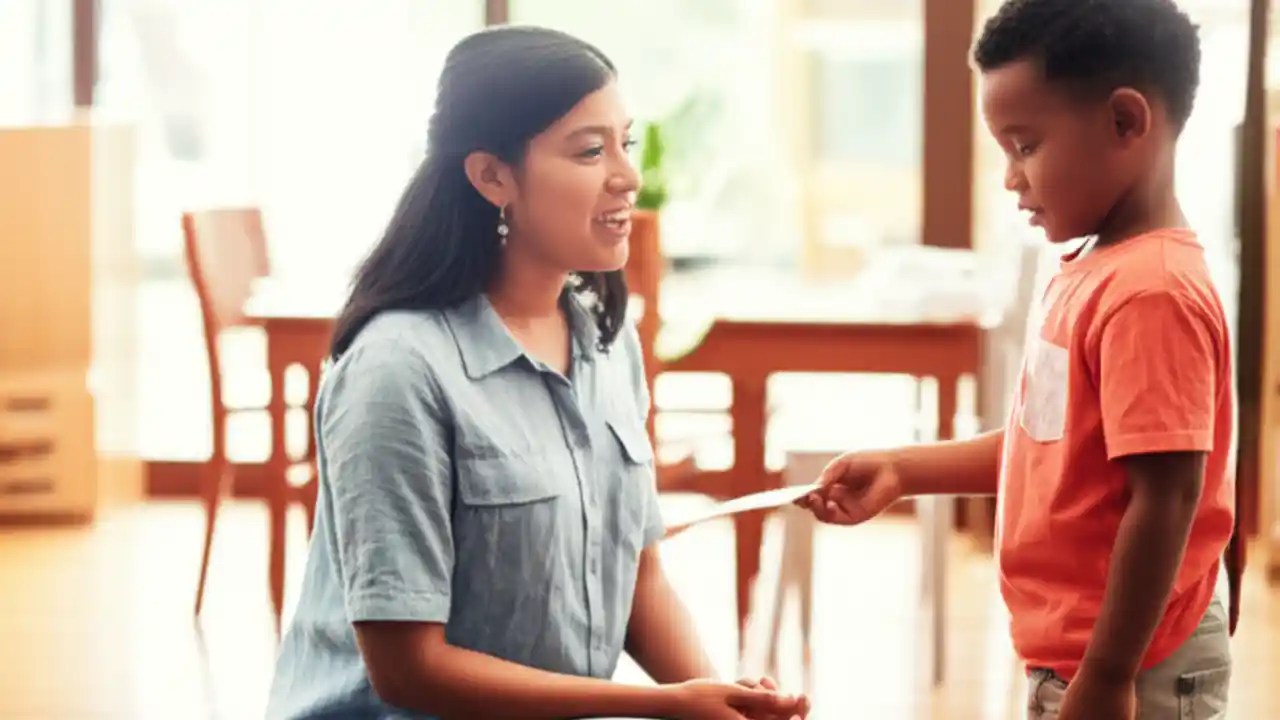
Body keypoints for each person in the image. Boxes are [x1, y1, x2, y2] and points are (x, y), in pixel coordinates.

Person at [265, 25, 808, 720]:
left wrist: (719, 703)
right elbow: (408, 670)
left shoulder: (607, 342)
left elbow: (637, 578)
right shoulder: (397, 371)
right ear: (492, 176)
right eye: (590, 151)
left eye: (625, 143)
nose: (627, 176)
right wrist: (664, 706)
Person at [798, 1, 1235, 718]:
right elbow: (1053, 451)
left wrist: (1107, 676)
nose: (1010, 177)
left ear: (1125, 122)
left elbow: (1168, 497)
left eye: (1025, 147)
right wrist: (904, 470)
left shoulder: (1151, 293)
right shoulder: (1098, 270)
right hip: (1088, 656)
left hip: (1135, 668)